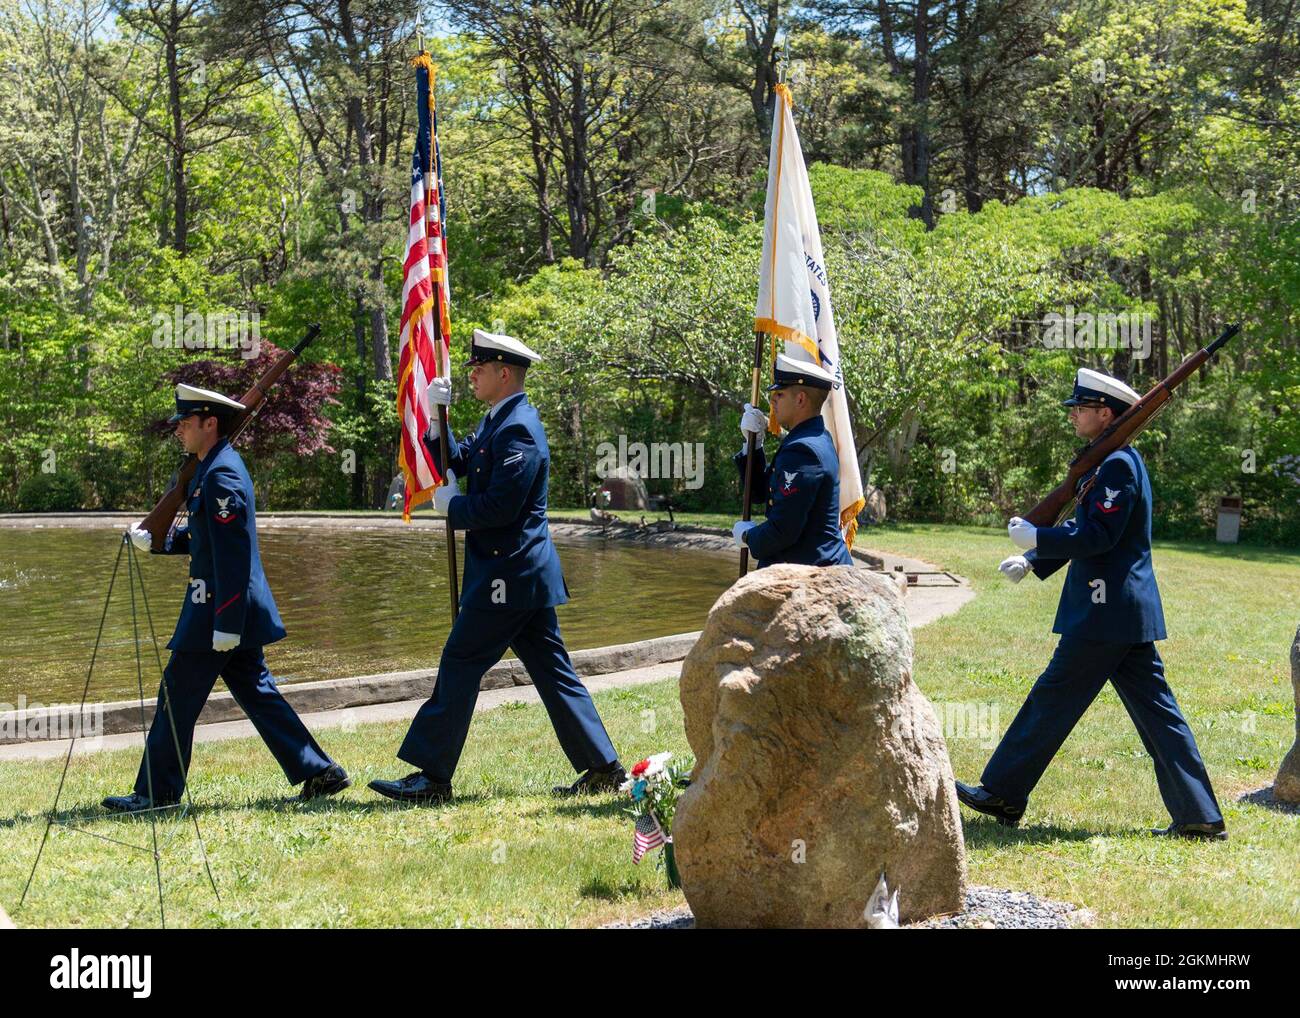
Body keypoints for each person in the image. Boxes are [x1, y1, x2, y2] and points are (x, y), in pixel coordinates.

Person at [955, 368, 1226, 840]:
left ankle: (1001, 791)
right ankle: (1199, 815)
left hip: (1105, 613)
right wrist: (1035, 558)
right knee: (1158, 715)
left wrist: (1038, 535)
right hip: (1118, 613)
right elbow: (1090, 537)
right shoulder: (1109, 463)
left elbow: (1099, 537)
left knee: (1052, 698)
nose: (1074, 415)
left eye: (1081, 408)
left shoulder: (1119, 465)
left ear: (1106, 414)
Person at [368, 330, 624, 804]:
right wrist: (434, 422)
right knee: (553, 671)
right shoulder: (496, 420)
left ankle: (432, 776)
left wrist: (454, 507)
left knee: (461, 661)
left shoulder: (518, 428)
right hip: (519, 577)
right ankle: (603, 767)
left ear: (504, 373)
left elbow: (502, 507)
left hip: (510, 574)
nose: (471, 375)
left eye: (479, 369)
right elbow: (460, 459)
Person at [103, 384, 348, 813]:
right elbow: (207, 538)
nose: (178, 429)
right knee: (257, 692)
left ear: (209, 423)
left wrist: (226, 623)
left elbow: (234, 555)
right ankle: (318, 771)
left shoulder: (222, 474)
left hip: (218, 609)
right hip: (222, 610)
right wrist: (158, 542)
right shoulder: (209, 468)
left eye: (186, 421)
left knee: (176, 695)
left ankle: (156, 794)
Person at [731, 353, 853, 568]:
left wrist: (749, 537)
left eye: (779, 394)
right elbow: (760, 493)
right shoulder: (809, 439)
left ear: (800, 399)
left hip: (811, 577)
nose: (772, 400)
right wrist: (753, 445)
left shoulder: (803, 450)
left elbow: (783, 530)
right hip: (805, 570)